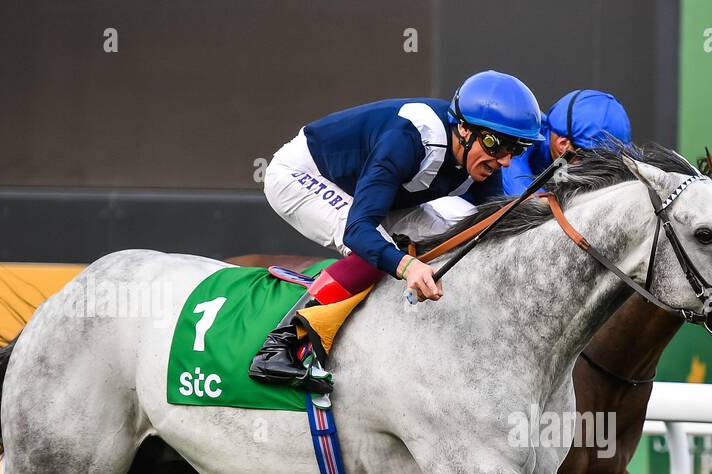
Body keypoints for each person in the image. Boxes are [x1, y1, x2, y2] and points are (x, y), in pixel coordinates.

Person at [251, 70, 543, 392]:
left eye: (516, 150)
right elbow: (358, 229)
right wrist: (407, 265)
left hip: (374, 196)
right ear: (463, 128)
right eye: (495, 144)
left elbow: (496, 225)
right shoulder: (411, 136)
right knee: (377, 247)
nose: (504, 160)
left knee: (456, 232)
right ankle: (281, 344)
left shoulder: (481, 161)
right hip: (303, 175)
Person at [501, 89, 632, 194]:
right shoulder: (516, 144)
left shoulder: (568, 156)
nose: (601, 171)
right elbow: (524, 199)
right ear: (563, 145)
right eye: (594, 161)